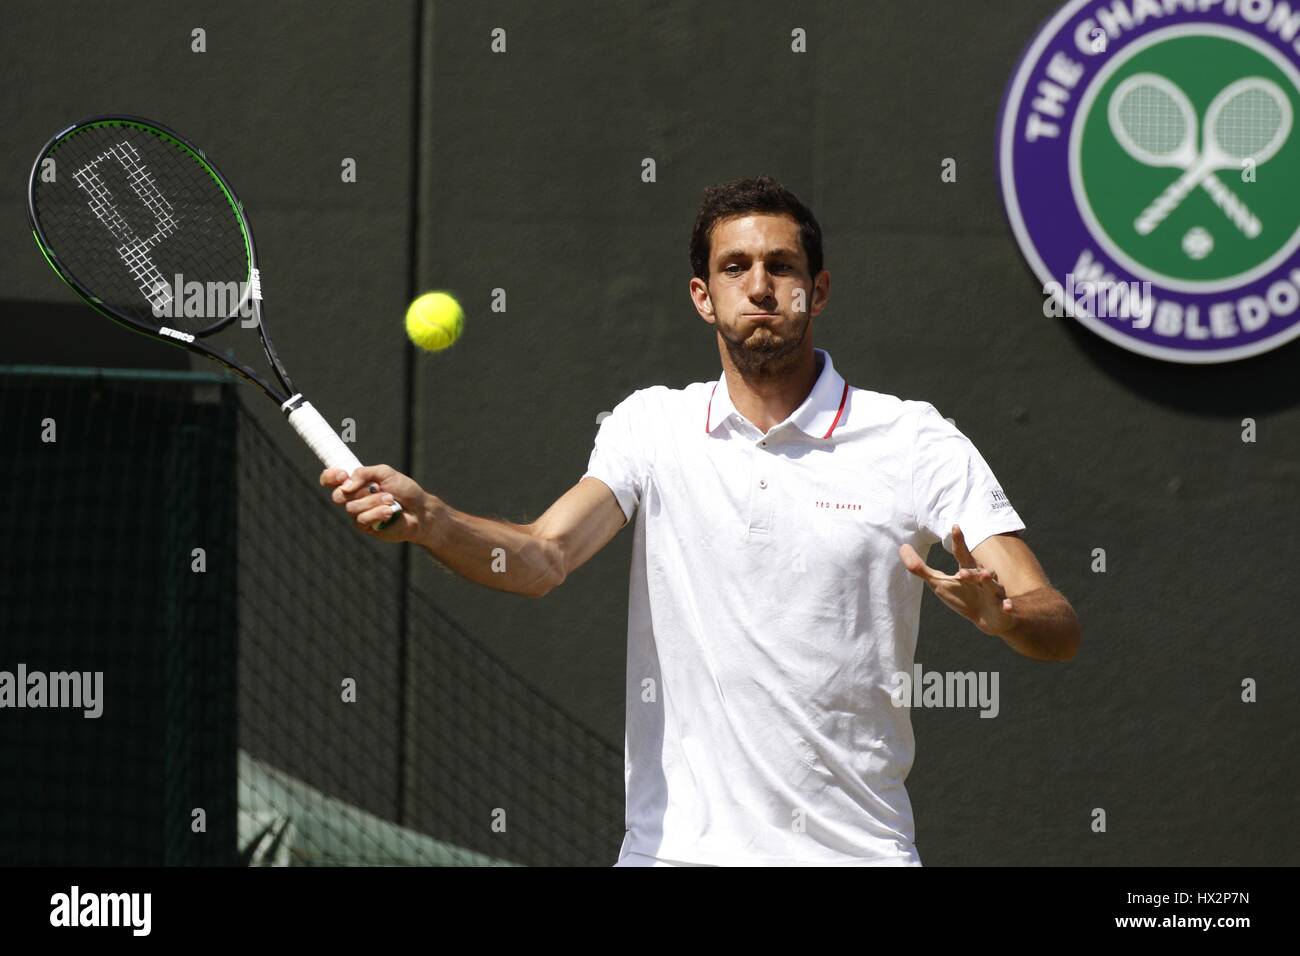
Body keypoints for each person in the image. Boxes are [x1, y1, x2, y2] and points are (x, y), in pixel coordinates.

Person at [321, 176, 1081, 866]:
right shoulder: (651, 427)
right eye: (735, 268)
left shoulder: (914, 440)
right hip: (672, 854)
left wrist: (1007, 616)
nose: (759, 287)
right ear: (701, 295)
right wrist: (432, 520)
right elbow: (542, 557)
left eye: (781, 268)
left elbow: (1058, 622)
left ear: (817, 292)